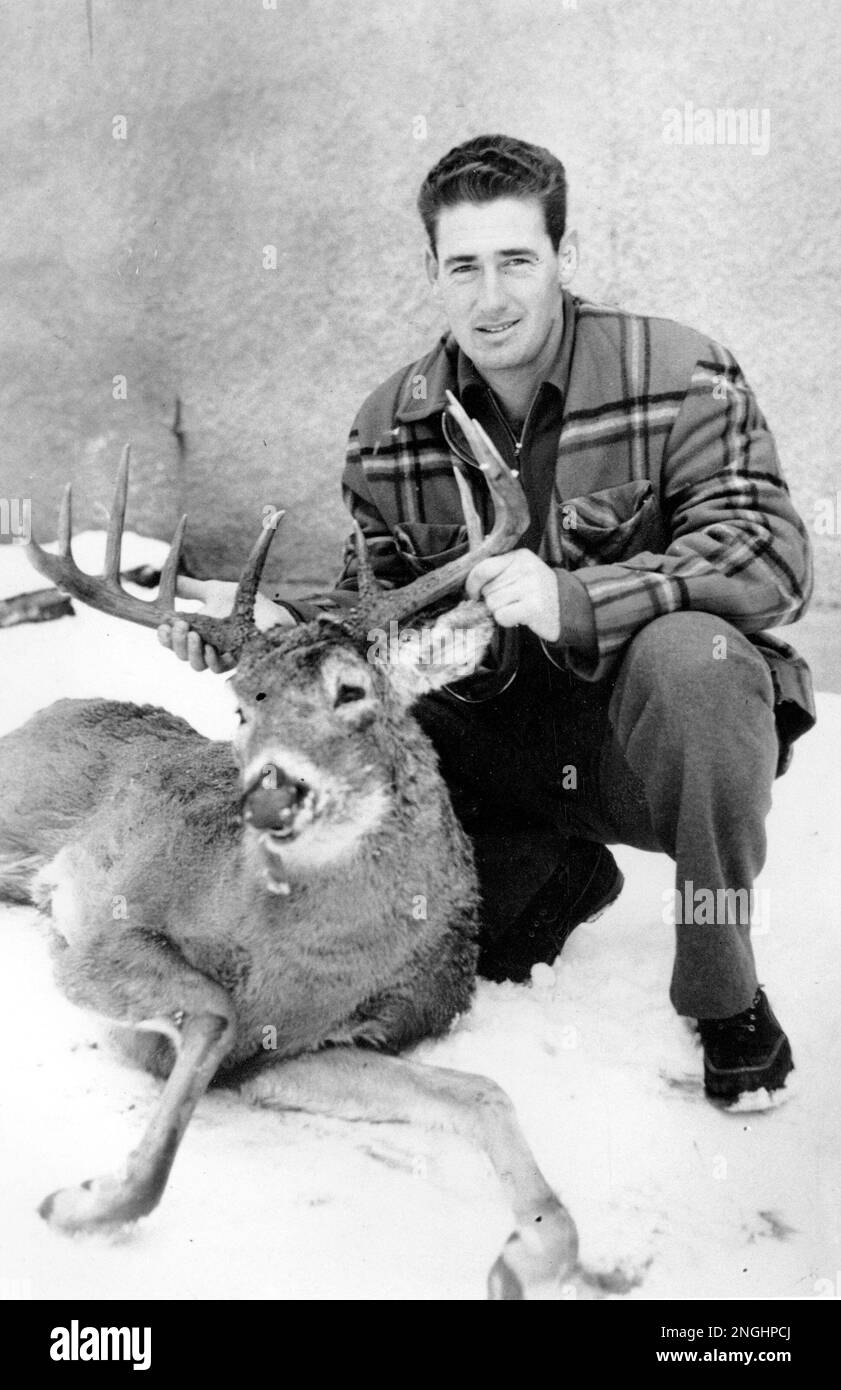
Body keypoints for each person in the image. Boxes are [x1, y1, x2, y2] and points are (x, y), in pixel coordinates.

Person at [159, 134, 815, 1107]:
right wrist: (249, 634)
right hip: (489, 737)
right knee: (450, 948)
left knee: (703, 659)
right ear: (433, 271)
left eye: (517, 260)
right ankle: (553, 872)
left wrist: (578, 596)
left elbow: (769, 557)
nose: (492, 296)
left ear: (563, 253)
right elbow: (366, 610)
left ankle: (723, 991)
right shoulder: (390, 423)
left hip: (644, 742)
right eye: (463, 266)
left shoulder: (678, 372)